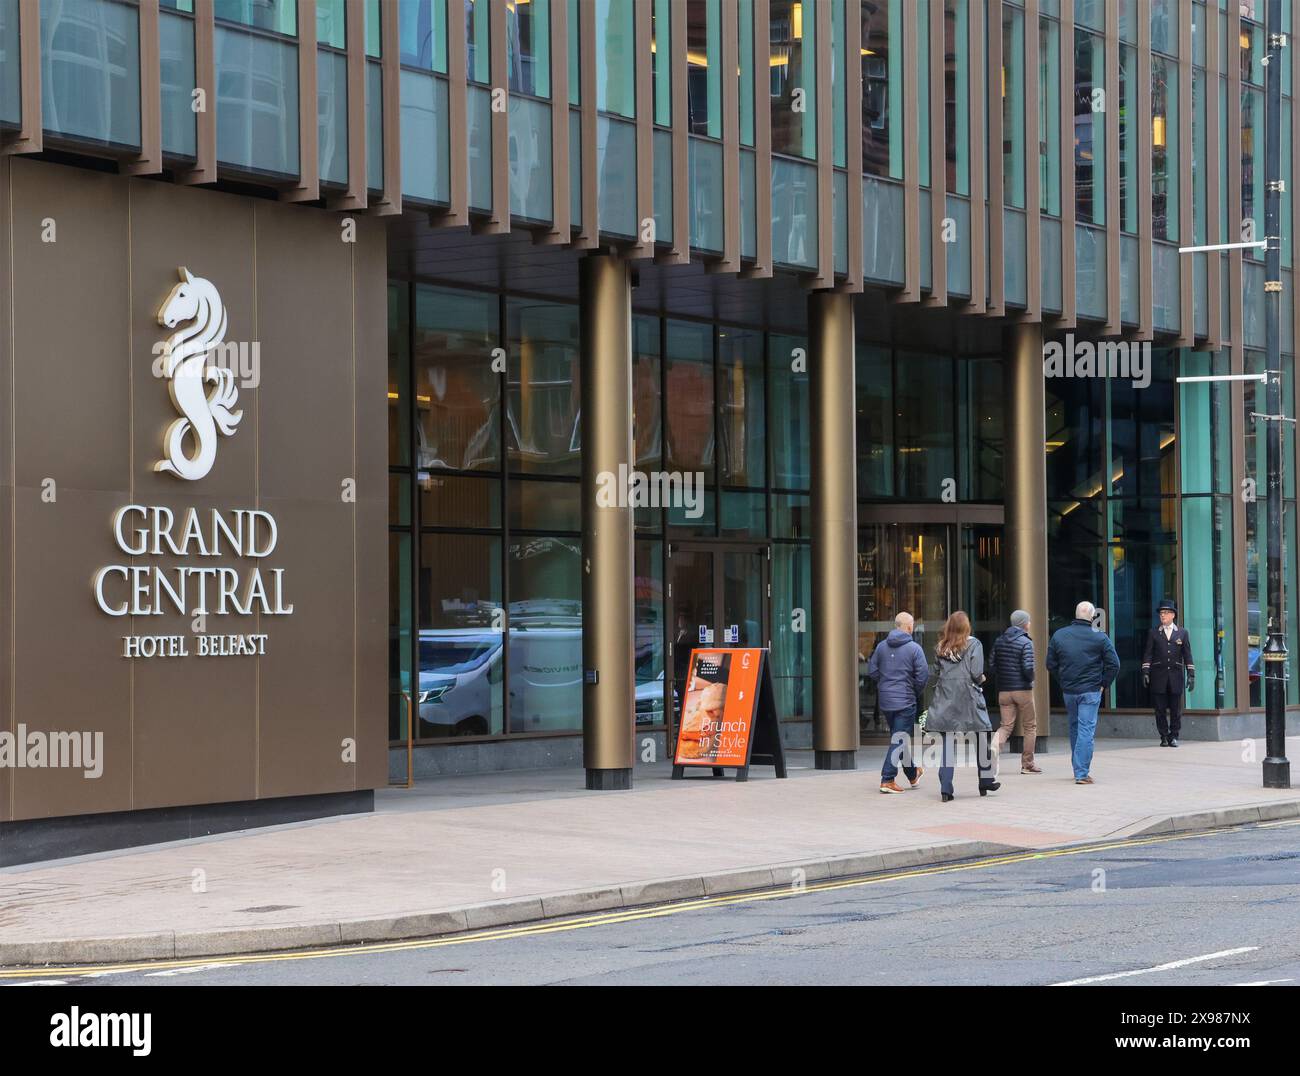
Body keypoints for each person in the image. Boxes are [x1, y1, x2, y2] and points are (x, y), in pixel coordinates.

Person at [925, 611, 998, 801]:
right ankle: (985, 780)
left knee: (948, 744)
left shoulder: (940, 647)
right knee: (981, 736)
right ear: (967, 626)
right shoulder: (974, 644)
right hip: (969, 698)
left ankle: (946, 788)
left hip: (946, 698)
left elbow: (936, 672)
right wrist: (982, 678)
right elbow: (976, 672)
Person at [1046, 601, 1120, 785]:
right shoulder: (1100, 637)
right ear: (1092, 616)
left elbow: (1050, 664)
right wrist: (1104, 684)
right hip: (1091, 690)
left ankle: (1077, 767)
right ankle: (1081, 773)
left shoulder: (1059, 635)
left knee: (1074, 727)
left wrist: (1062, 680)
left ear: (1076, 614)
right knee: (1086, 729)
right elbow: (1114, 664)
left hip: (1069, 690)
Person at [868, 612, 930, 793]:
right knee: (899, 739)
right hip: (905, 701)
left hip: (886, 701)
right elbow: (922, 676)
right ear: (909, 627)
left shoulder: (881, 647)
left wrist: (885, 684)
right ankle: (887, 779)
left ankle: (912, 774)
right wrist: (913, 691)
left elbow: (872, 671)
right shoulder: (914, 648)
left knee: (898, 737)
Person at [990, 610, 1040, 775]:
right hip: (1023, 690)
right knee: (1030, 726)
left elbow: (992, 665)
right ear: (1024, 623)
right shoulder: (1026, 642)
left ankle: (994, 749)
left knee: (1005, 726)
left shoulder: (999, 641)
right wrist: (1031, 678)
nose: (1030, 623)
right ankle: (1028, 764)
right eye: (1029, 621)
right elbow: (1028, 668)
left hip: (1004, 690)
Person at [1142, 599, 1195, 747]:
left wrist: (1191, 674)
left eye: (1165, 613)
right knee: (1159, 709)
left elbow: (1188, 655)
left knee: (1175, 710)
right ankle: (1164, 736)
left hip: (1176, 676)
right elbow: (1148, 654)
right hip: (1158, 676)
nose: (1162, 615)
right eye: (1161, 613)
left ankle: (1174, 736)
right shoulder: (1153, 633)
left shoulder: (1182, 633)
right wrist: (1145, 671)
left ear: (1173, 615)